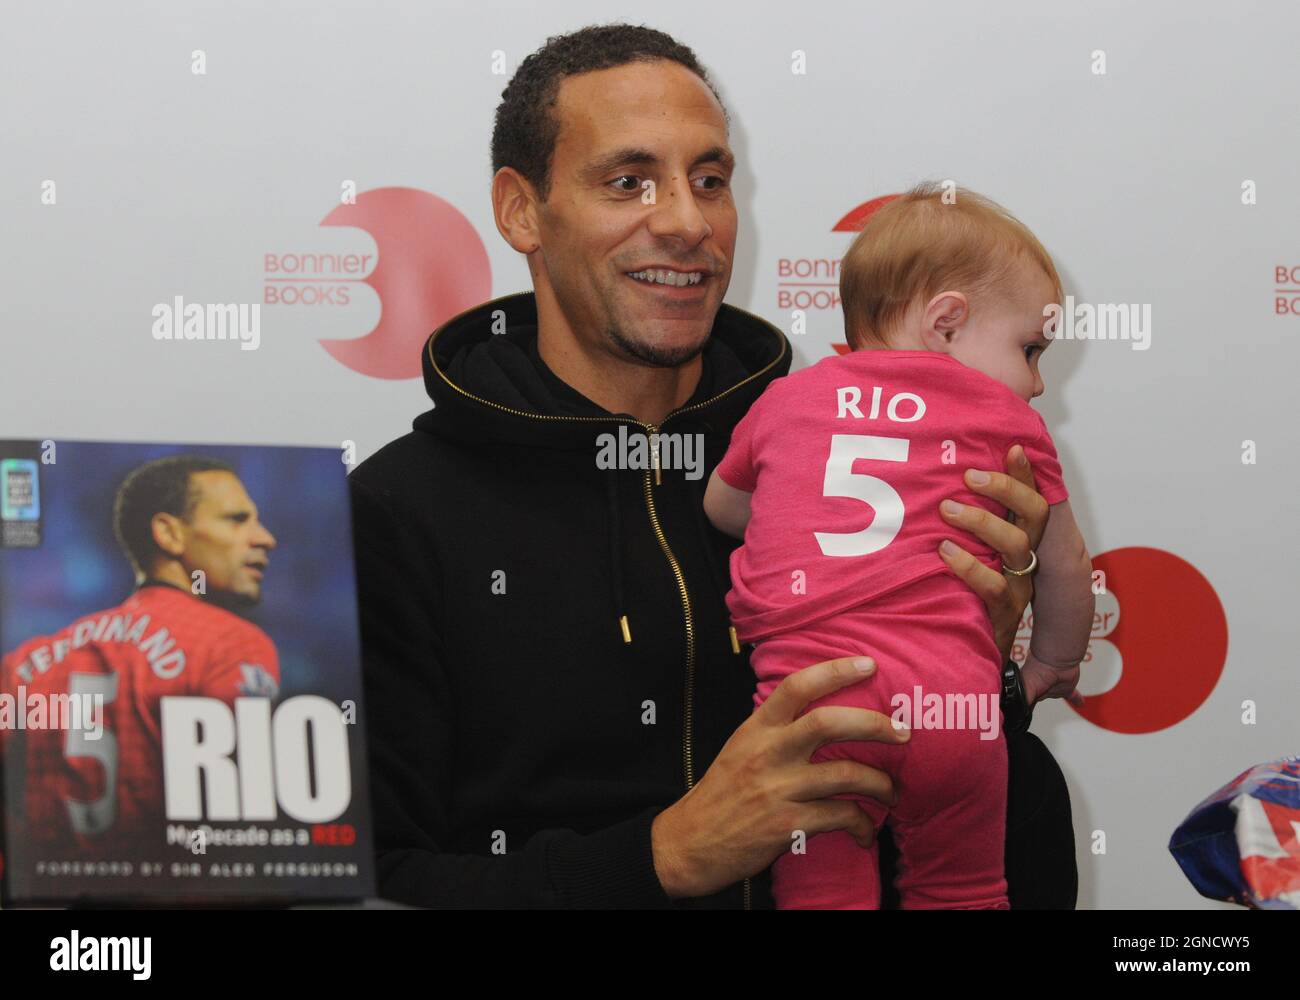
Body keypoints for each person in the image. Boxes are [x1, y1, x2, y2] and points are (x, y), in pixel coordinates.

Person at [349, 23, 1077, 909]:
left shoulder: (874, 460)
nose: (688, 223)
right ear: (520, 209)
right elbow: (374, 887)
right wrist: (665, 856)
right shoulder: (393, 516)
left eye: (710, 181)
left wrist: (984, 677)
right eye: (629, 181)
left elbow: (1020, 854)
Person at [704, 183, 1095, 908]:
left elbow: (722, 506)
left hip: (814, 715)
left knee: (822, 892)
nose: (1037, 384)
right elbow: (1065, 567)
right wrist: (1051, 664)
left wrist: (791, 520)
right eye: (1030, 349)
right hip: (952, 713)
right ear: (946, 323)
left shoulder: (788, 400)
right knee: (963, 888)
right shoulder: (1007, 423)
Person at [0, 456, 280, 861]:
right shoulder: (229, 644)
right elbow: (242, 830)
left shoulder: (24, 664)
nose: (265, 538)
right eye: (238, 520)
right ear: (169, 533)